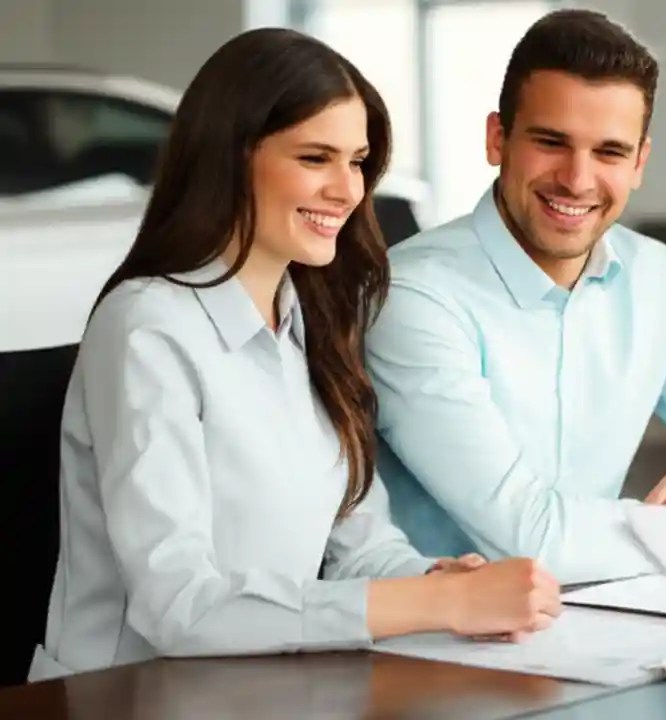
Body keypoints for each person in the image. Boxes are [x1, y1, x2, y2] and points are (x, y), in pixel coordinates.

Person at [29, 28, 560, 681]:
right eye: (316, 158)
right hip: (124, 696)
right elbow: (178, 608)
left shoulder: (308, 324)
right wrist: (433, 601)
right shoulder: (147, 330)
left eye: (358, 161)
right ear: (230, 158)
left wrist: (441, 581)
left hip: (263, 687)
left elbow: (358, 547)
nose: (349, 190)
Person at [365, 9, 666, 583]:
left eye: (609, 152)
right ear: (498, 139)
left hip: (601, 621)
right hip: (434, 644)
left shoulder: (654, 278)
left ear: (640, 161)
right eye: (551, 142)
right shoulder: (413, 296)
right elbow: (531, 540)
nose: (576, 179)